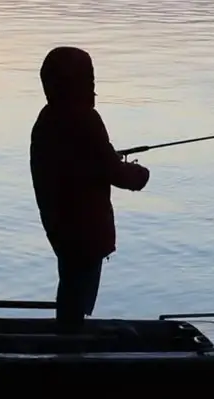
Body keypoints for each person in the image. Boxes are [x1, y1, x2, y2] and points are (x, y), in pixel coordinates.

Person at [30, 46, 150, 333]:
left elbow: (86, 161)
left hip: (59, 225)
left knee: (70, 285)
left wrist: (105, 158)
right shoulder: (85, 120)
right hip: (84, 228)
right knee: (76, 292)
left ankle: (67, 339)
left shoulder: (46, 120)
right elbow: (114, 171)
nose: (93, 84)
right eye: (89, 77)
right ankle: (69, 351)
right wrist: (139, 175)